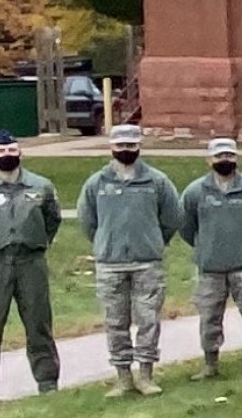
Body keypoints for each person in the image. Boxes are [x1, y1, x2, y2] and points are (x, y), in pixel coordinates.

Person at [76, 124, 182, 397]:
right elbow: (88, 221)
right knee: (115, 321)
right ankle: (123, 377)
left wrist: (153, 241)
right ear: (111, 147)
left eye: (131, 146)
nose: (126, 151)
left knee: (148, 320)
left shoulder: (157, 181)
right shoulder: (96, 184)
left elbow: (172, 217)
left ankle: (146, 375)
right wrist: (105, 242)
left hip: (147, 263)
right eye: (121, 146)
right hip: (110, 265)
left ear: (139, 147)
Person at [0, 132, 61, 406]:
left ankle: (48, 384)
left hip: (31, 262)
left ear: (21, 153)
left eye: (12, 150)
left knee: (39, 324)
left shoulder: (41, 186)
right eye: (1, 152)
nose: (7, 156)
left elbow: (53, 219)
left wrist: (37, 243)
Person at [180, 138, 242, 378]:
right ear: (209, 160)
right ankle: (210, 364)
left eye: (230, 156)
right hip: (210, 268)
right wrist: (205, 246)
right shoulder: (195, 191)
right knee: (209, 316)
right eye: (219, 156)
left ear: (237, 158)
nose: (225, 160)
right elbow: (186, 227)